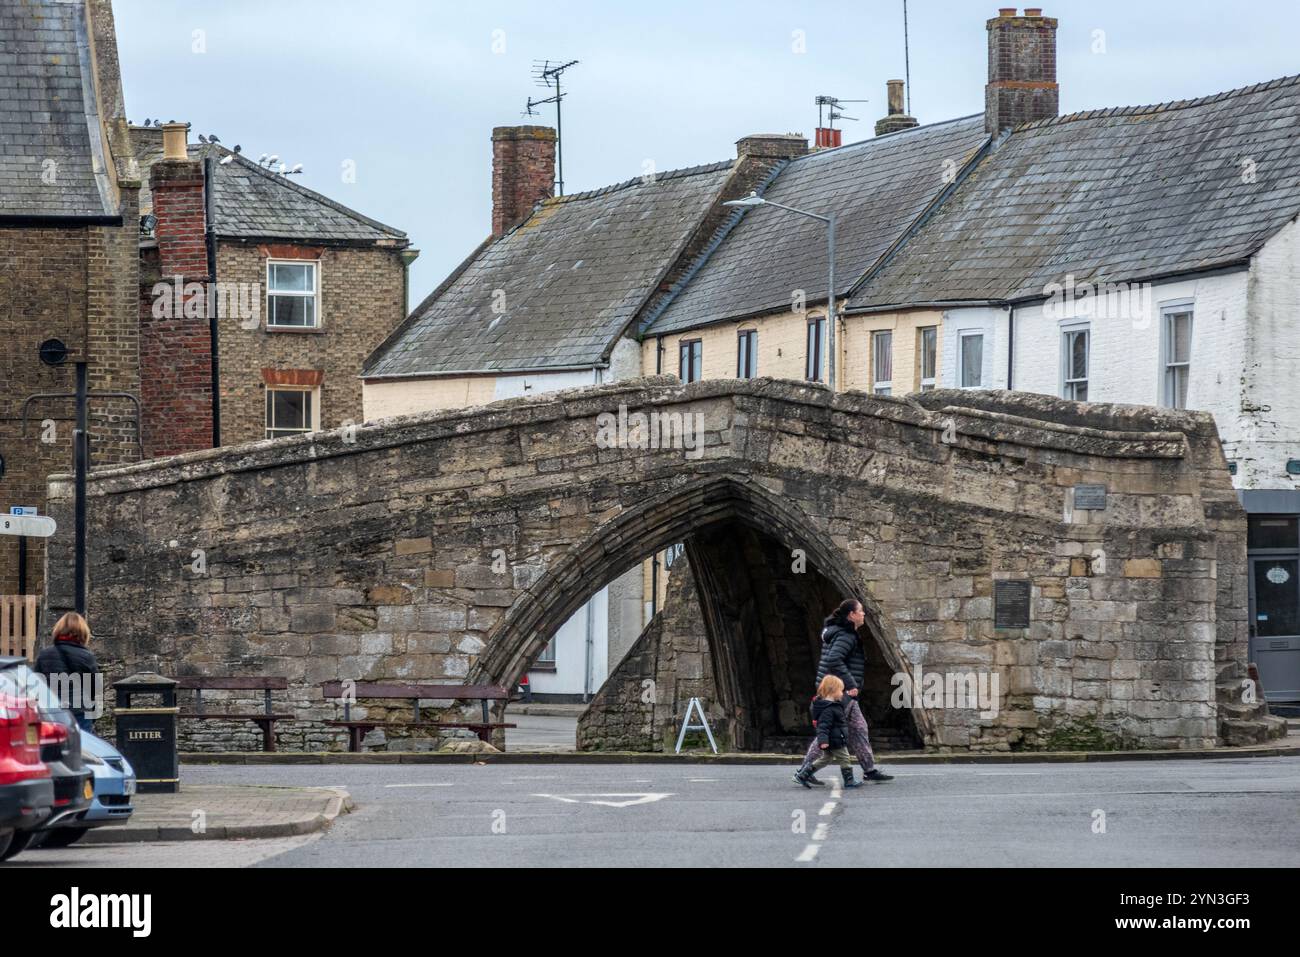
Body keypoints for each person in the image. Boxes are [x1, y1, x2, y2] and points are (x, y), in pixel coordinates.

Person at [801, 598, 894, 788]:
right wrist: (850, 684)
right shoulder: (846, 635)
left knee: (859, 728)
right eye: (861, 611)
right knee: (826, 732)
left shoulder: (841, 632)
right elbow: (835, 658)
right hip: (838, 692)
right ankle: (804, 770)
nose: (864, 615)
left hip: (840, 691)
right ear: (851, 615)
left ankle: (869, 770)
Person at [34, 612, 100, 733]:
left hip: (52, 712)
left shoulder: (44, 655)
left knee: (54, 748)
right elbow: (95, 689)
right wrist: (93, 715)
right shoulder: (87, 656)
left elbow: (36, 687)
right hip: (79, 711)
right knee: (82, 748)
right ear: (83, 632)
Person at [793, 675, 854, 787]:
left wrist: (849, 695)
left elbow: (843, 700)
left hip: (834, 738)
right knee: (845, 758)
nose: (842, 693)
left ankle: (803, 775)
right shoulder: (828, 709)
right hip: (834, 740)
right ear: (833, 691)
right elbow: (823, 726)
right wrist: (823, 741)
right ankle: (849, 781)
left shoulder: (832, 704)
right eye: (841, 690)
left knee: (825, 758)